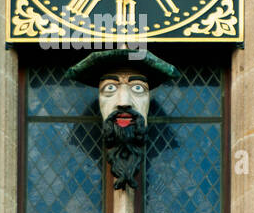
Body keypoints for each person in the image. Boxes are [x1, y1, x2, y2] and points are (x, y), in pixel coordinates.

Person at [66, 48, 178, 189]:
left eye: (137, 88)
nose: (124, 102)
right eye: (110, 88)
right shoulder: (79, 151)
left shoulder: (167, 157)